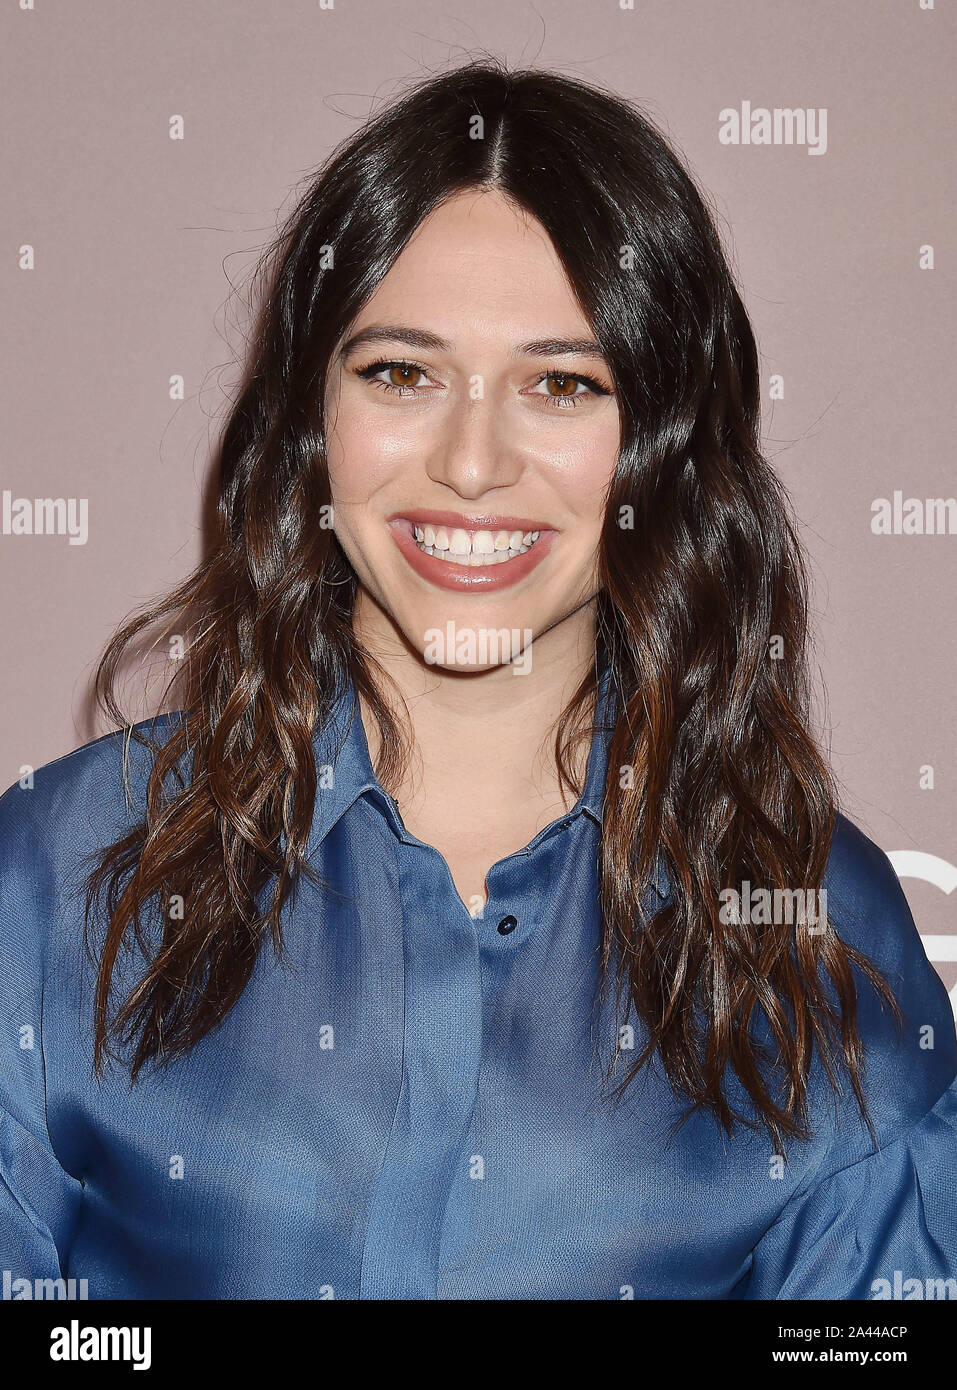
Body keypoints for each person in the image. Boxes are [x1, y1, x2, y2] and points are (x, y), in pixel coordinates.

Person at [1, 60, 954, 1301]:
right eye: (401, 372)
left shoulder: (813, 924)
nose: (469, 461)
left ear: (660, 449)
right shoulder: (59, 876)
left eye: (562, 384)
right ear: (311, 423)